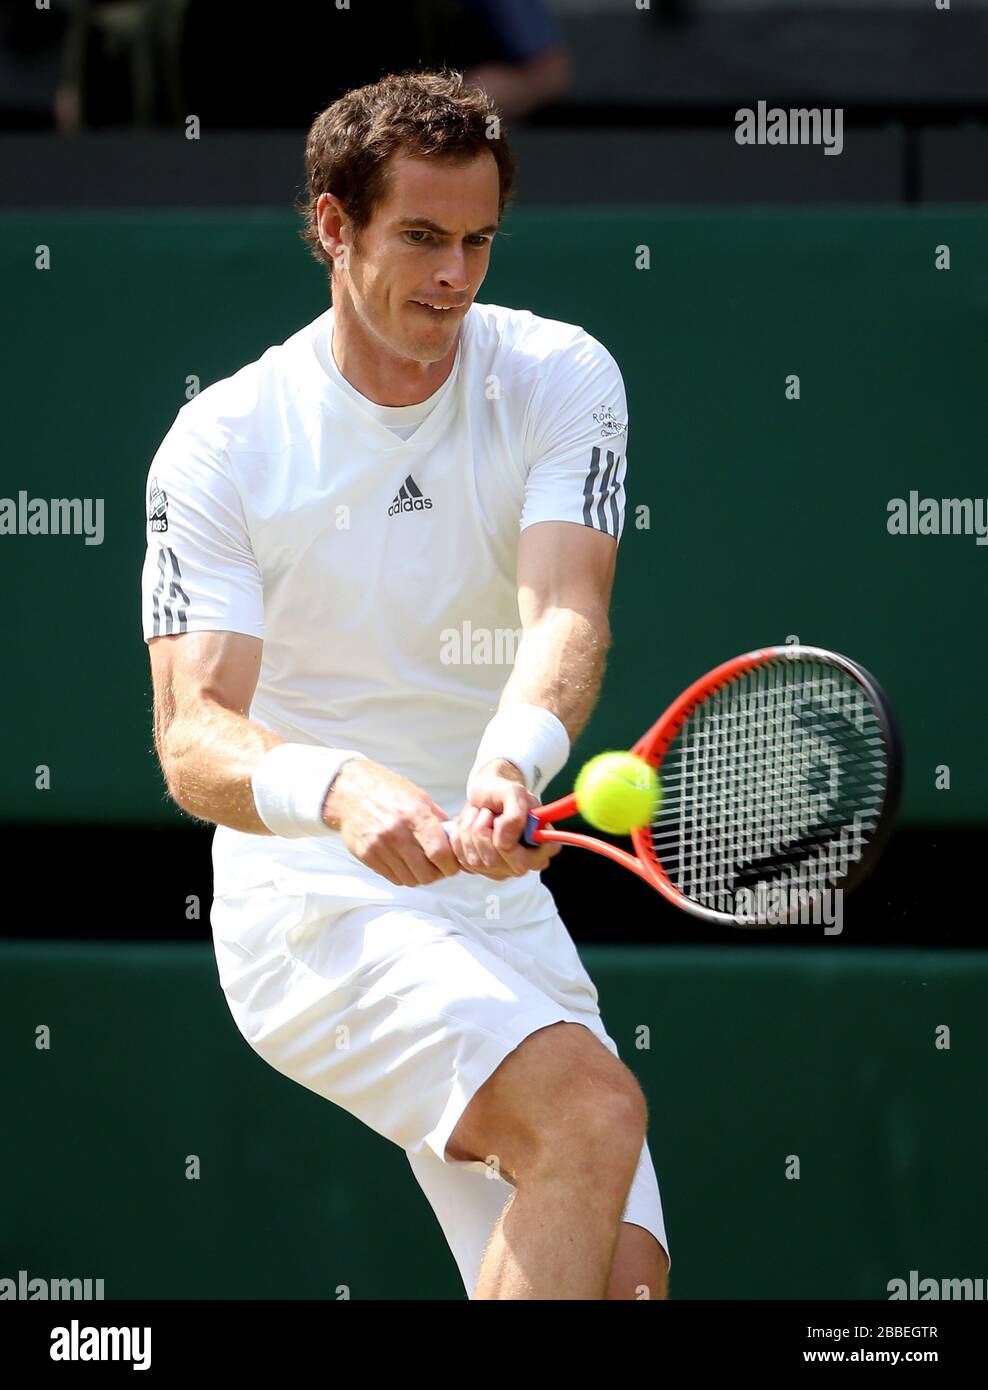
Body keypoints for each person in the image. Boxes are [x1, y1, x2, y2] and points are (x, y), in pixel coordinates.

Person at [141, 68, 669, 1300]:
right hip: (311, 909)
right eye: (421, 237)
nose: (455, 275)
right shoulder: (221, 444)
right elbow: (192, 737)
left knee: (625, 1282)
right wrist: (337, 790)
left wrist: (511, 764)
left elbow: (564, 610)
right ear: (332, 226)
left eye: (478, 240)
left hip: (495, 898)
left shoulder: (560, 375)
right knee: (590, 1111)